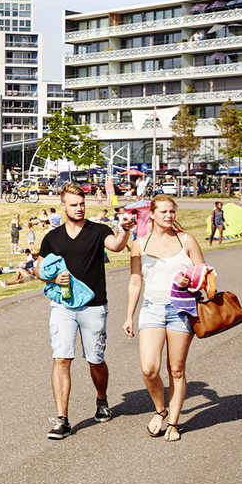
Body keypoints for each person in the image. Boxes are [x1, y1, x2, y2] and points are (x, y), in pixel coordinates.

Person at [38, 184, 133, 440]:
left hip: (93, 306)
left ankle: (101, 400)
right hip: (63, 307)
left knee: (95, 360)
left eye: (81, 203)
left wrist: (124, 230)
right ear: (63, 206)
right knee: (61, 358)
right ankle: (62, 419)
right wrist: (53, 280)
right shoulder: (52, 237)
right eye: (73, 204)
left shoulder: (99, 230)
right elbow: (39, 270)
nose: (79, 208)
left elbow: (115, 246)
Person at [122, 195, 206, 443]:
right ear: (152, 214)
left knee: (176, 370)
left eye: (172, 212)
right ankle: (160, 409)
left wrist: (189, 281)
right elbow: (136, 280)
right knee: (149, 368)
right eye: (163, 212)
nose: (169, 216)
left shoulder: (186, 240)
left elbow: (203, 274)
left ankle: (174, 422)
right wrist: (129, 315)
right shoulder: (140, 244)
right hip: (151, 309)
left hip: (181, 309)